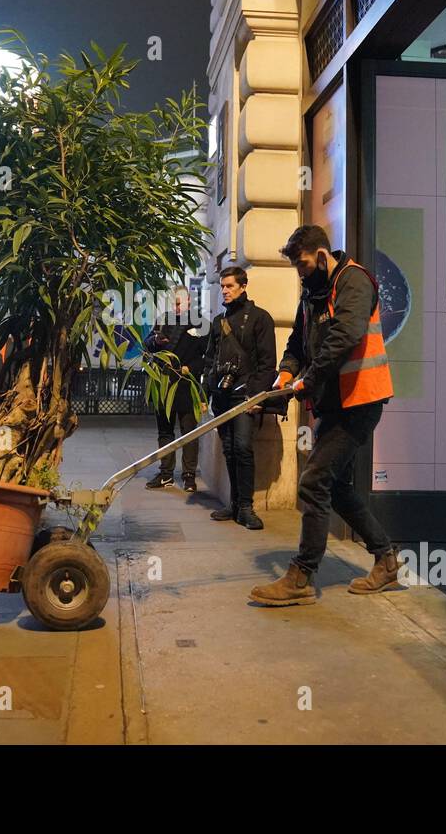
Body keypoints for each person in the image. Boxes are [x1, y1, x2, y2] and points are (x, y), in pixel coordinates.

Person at [250, 225, 398, 607]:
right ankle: (385, 559)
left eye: (302, 263)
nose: (299, 271)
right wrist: (285, 372)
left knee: (313, 482)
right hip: (337, 403)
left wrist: (307, 382)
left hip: (361, 400)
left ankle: (302, 575)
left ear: (320, 255)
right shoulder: (313, 293)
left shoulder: (355, 281)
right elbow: (298, 342)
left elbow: (344, 337)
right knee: (336, 487)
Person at [203, 266, 276, 530]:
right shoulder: (218, 321)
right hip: (222, 396)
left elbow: (268, 363)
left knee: (243, 448)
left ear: (243, 286)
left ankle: (246, 507)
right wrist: (208, 391)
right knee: (230, 449)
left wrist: (256, 395)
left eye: (230, 286)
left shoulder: (260, 318)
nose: (225, 290)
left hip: (245, 395)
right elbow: (210, 359)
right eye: (222, 286)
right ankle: (234, 504)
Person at [143, 286, 206, 492]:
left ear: (189, 300)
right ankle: (165, 473)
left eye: (180, 302)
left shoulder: (200, 322)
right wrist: (155, 340)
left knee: (189, 432)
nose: (177, 306)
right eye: (174, 302)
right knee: (165, 431)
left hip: (187, 385)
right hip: (163, 384)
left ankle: (189, 475)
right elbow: (147, 344)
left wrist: (191, 369)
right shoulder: (164, 320)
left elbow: (209, 356)